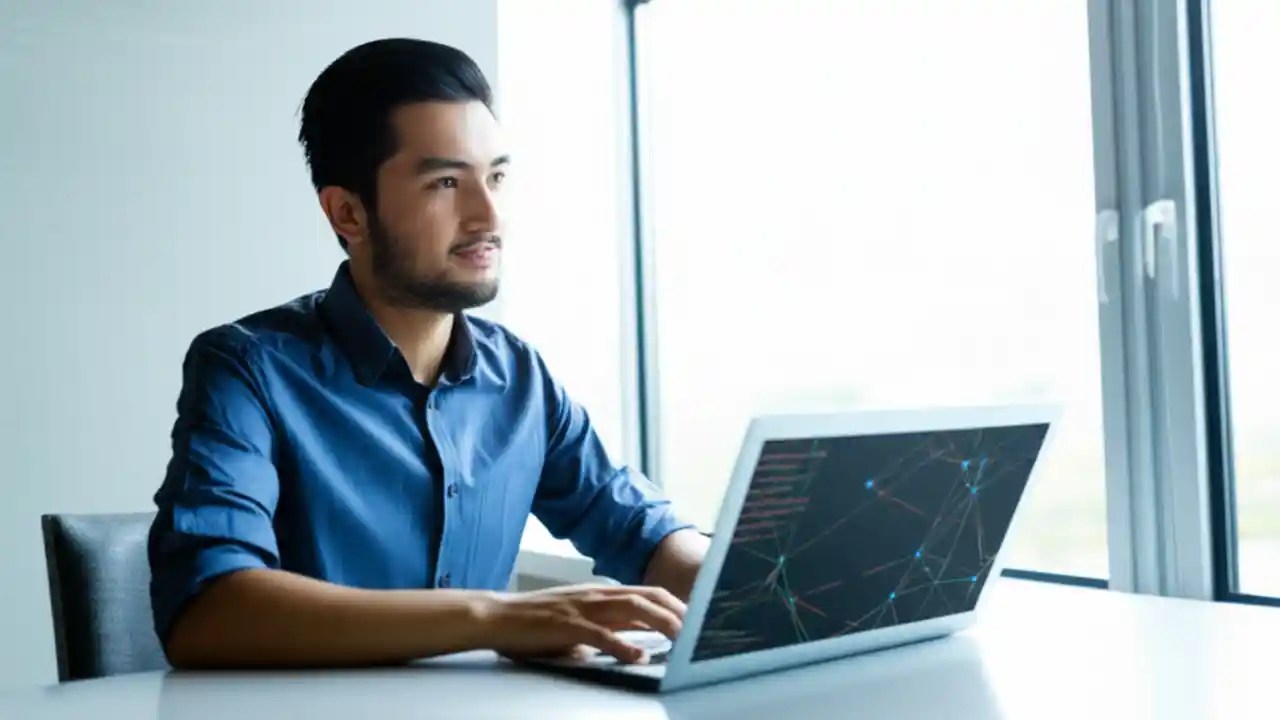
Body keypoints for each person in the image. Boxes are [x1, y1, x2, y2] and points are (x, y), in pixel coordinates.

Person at [147, 37, 709, 670]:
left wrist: (768, 590)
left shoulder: (518, 376)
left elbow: (643, 532)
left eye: (496, 177)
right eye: (446, 182)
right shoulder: (247, 369)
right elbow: (208, 610)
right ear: (348, 213)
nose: (487, 215)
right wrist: (497, 618)